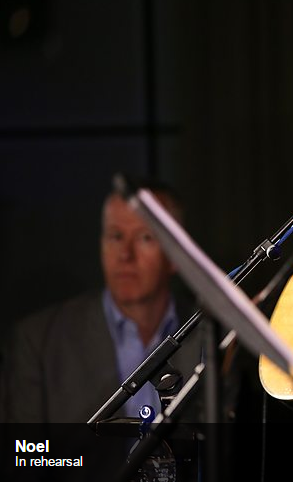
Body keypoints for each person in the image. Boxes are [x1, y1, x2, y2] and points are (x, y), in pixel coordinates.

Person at [0, 181, 202, 424]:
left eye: (145, 237)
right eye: (116, 236)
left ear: (177, 254)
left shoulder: (211, 337)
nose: (125, 255)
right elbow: (23, 447)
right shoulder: (39, 342)